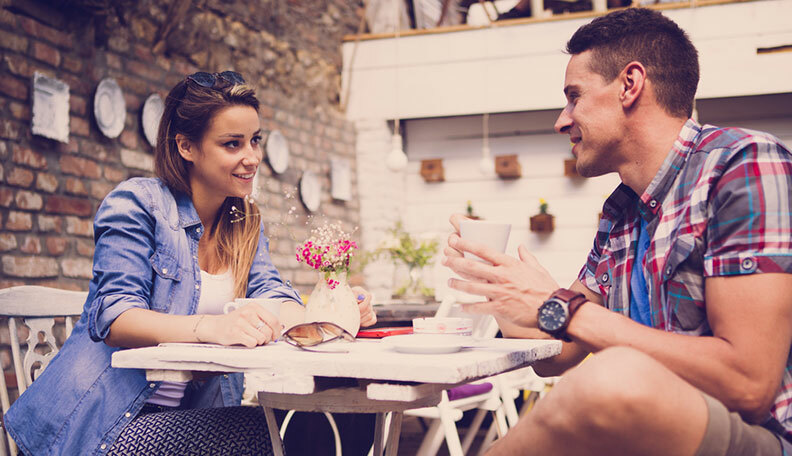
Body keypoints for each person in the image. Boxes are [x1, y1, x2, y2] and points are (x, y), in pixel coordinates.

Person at [443, 8, 792, 456]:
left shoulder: (742, 165)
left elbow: (748, 384)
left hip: (758, 436)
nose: (561, 120)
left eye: (574, 96)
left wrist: (558, 306)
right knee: (605, 378)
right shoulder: (622, 211)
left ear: (630, 85)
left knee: (611, 378)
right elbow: (561, 354)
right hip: (656, 429)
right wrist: (502, 288)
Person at [4, 71, 377, 455]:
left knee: (346, 413)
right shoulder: (136, 205)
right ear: (186, 146)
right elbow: (116, 317)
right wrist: (212, 327)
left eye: (254, 141)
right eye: (232, 144)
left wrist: (325, 316)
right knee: (275, 433)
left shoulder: (243, 220)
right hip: (106, 425)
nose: (251, 158)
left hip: (191, 413)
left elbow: (269, 290)